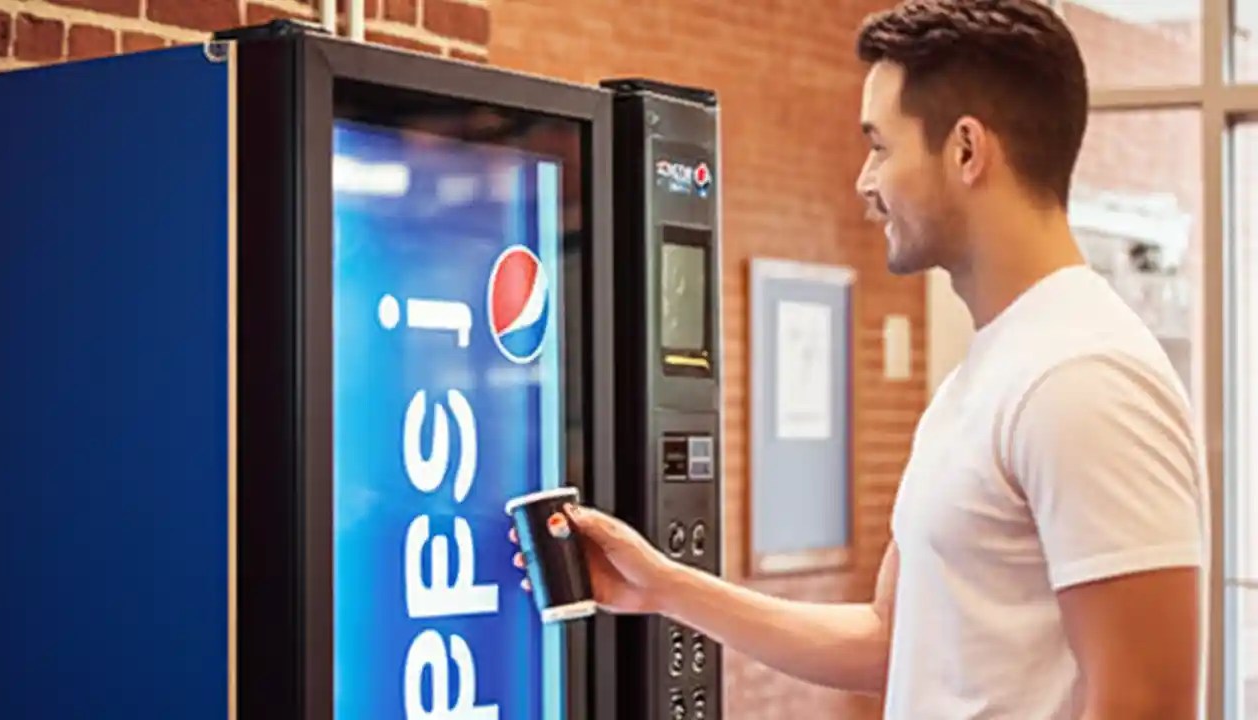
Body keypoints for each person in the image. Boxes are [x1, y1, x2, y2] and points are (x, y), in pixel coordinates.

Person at [511, 0, 1209, 716]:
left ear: (967, 150)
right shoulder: (988, 377)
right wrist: (662, 585)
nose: (864, 181)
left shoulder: (1082, 378)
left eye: (880, 145)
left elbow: (1147, 703)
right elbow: (890, 639)